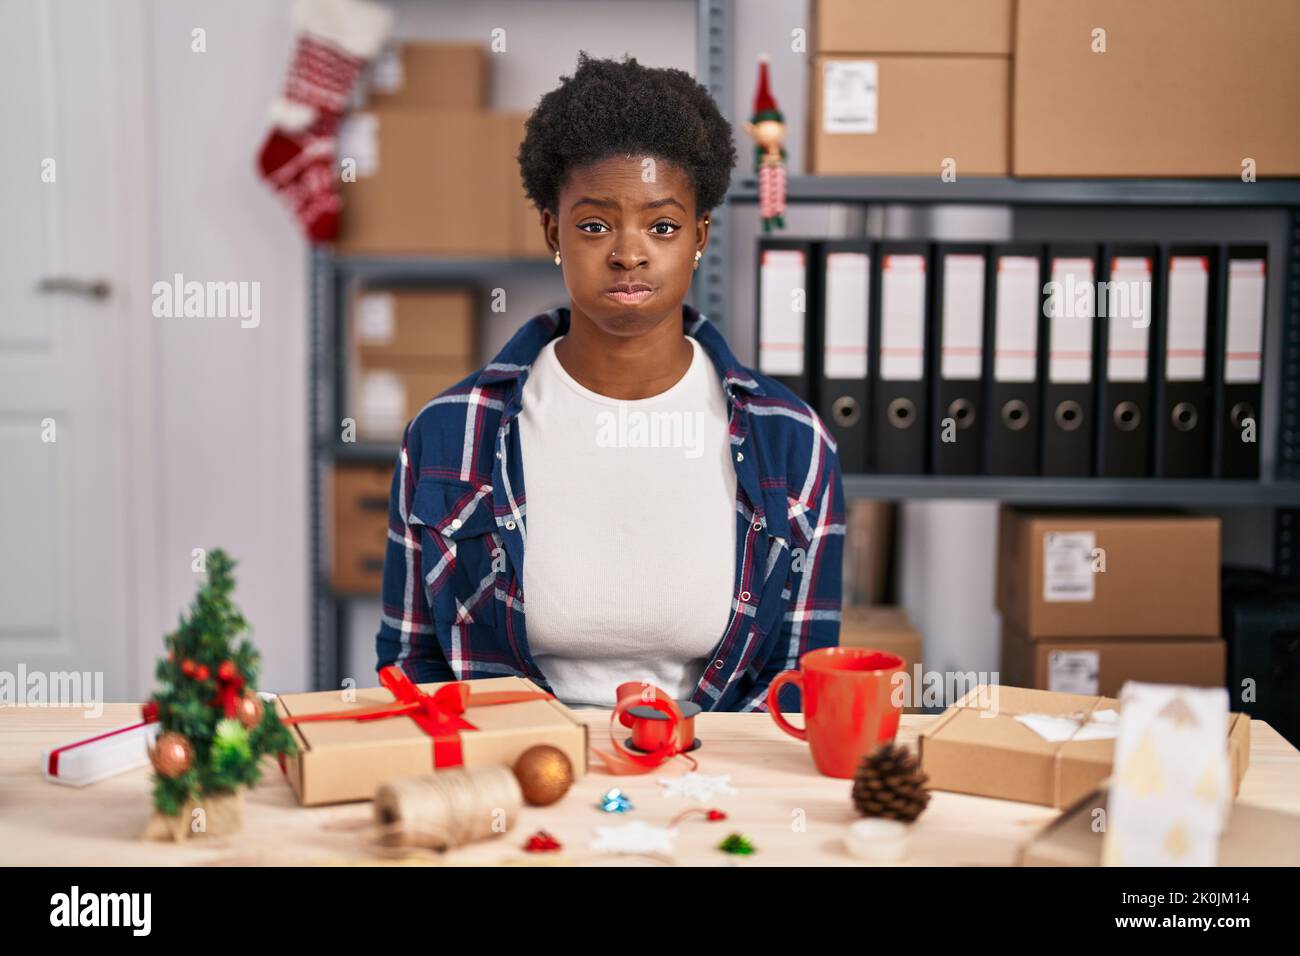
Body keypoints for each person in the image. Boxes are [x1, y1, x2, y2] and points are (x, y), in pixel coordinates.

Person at [375, 51, 844, 712]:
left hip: (715, 791)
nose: (629, 252)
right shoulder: (447, 434)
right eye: (595, 225)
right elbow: (409, 662)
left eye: (662, 226)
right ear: (552, 231)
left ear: (700, 237)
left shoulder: (793, 444)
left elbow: (796, 681)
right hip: (512, 782)